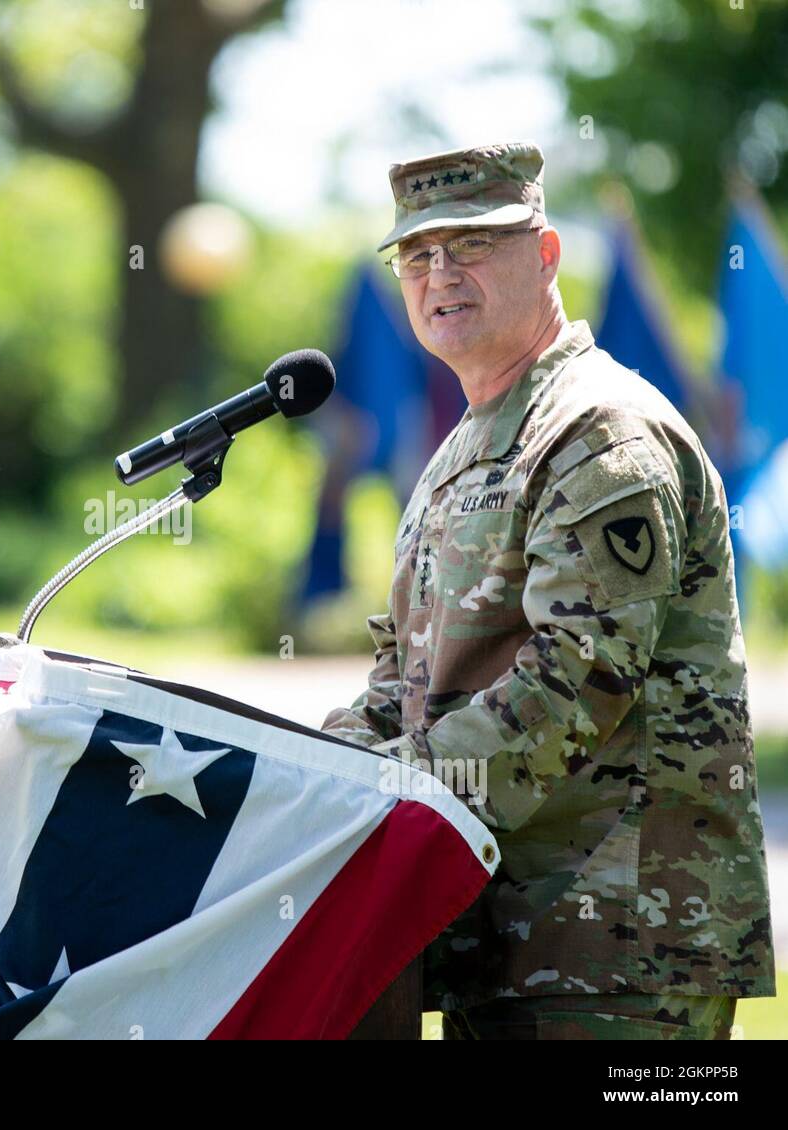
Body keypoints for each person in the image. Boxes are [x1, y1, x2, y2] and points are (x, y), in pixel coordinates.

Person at [321, 141, 776, 1040]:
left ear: (547, 254)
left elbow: (575, 683)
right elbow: (400, 680)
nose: (439, 273)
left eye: (472, 245)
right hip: (509, 940)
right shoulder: (469, 443)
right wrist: (309, 778)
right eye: (416, 254)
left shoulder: (600, 433)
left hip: (625, 948)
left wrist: (387, 797)